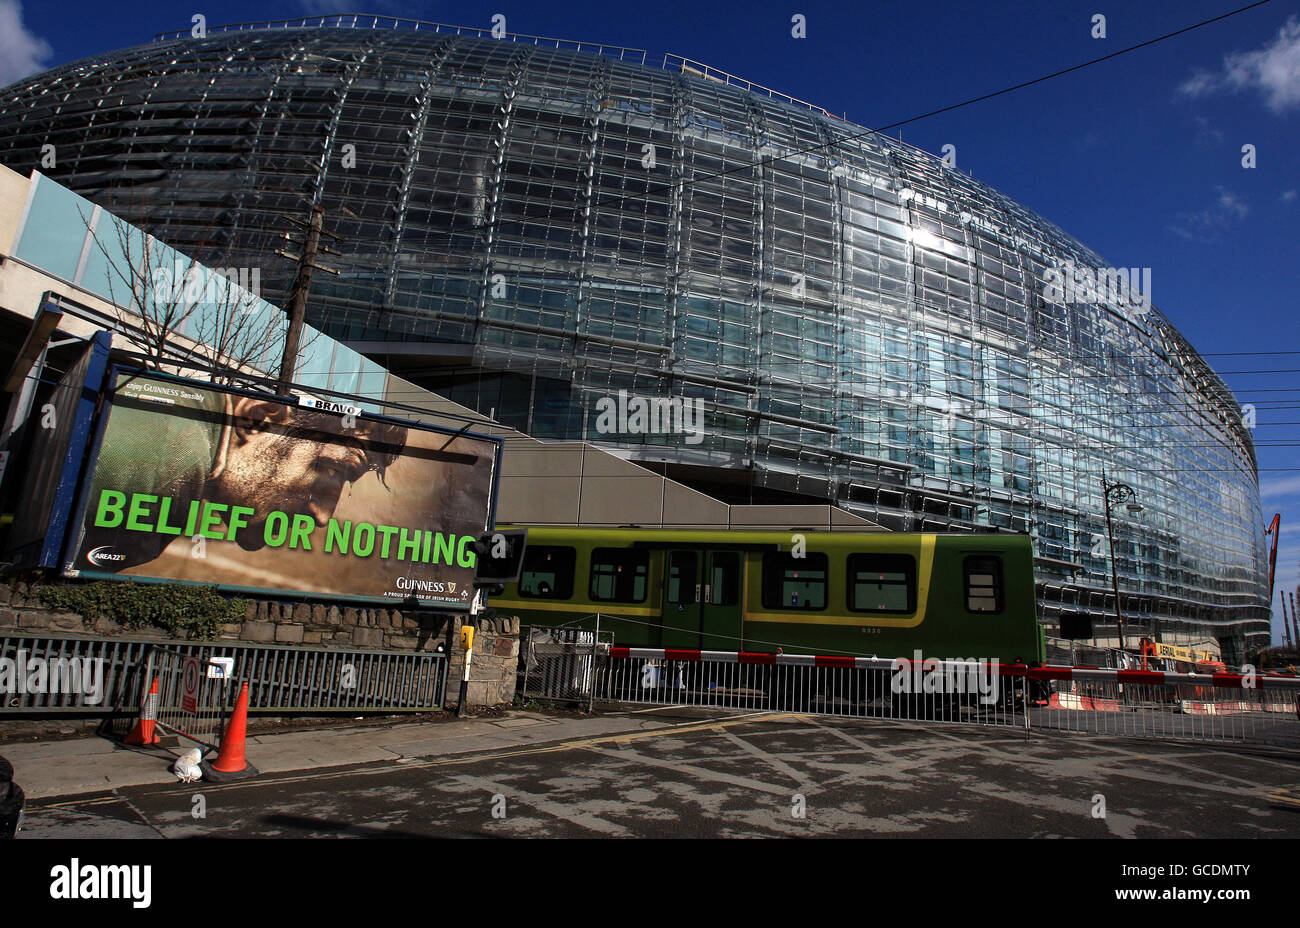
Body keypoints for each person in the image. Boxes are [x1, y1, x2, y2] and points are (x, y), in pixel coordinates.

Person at [74, 375, 407, 571]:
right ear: (257, 420)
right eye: (331, 469)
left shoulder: (181, 428)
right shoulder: (174, 459)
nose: (322, 515)